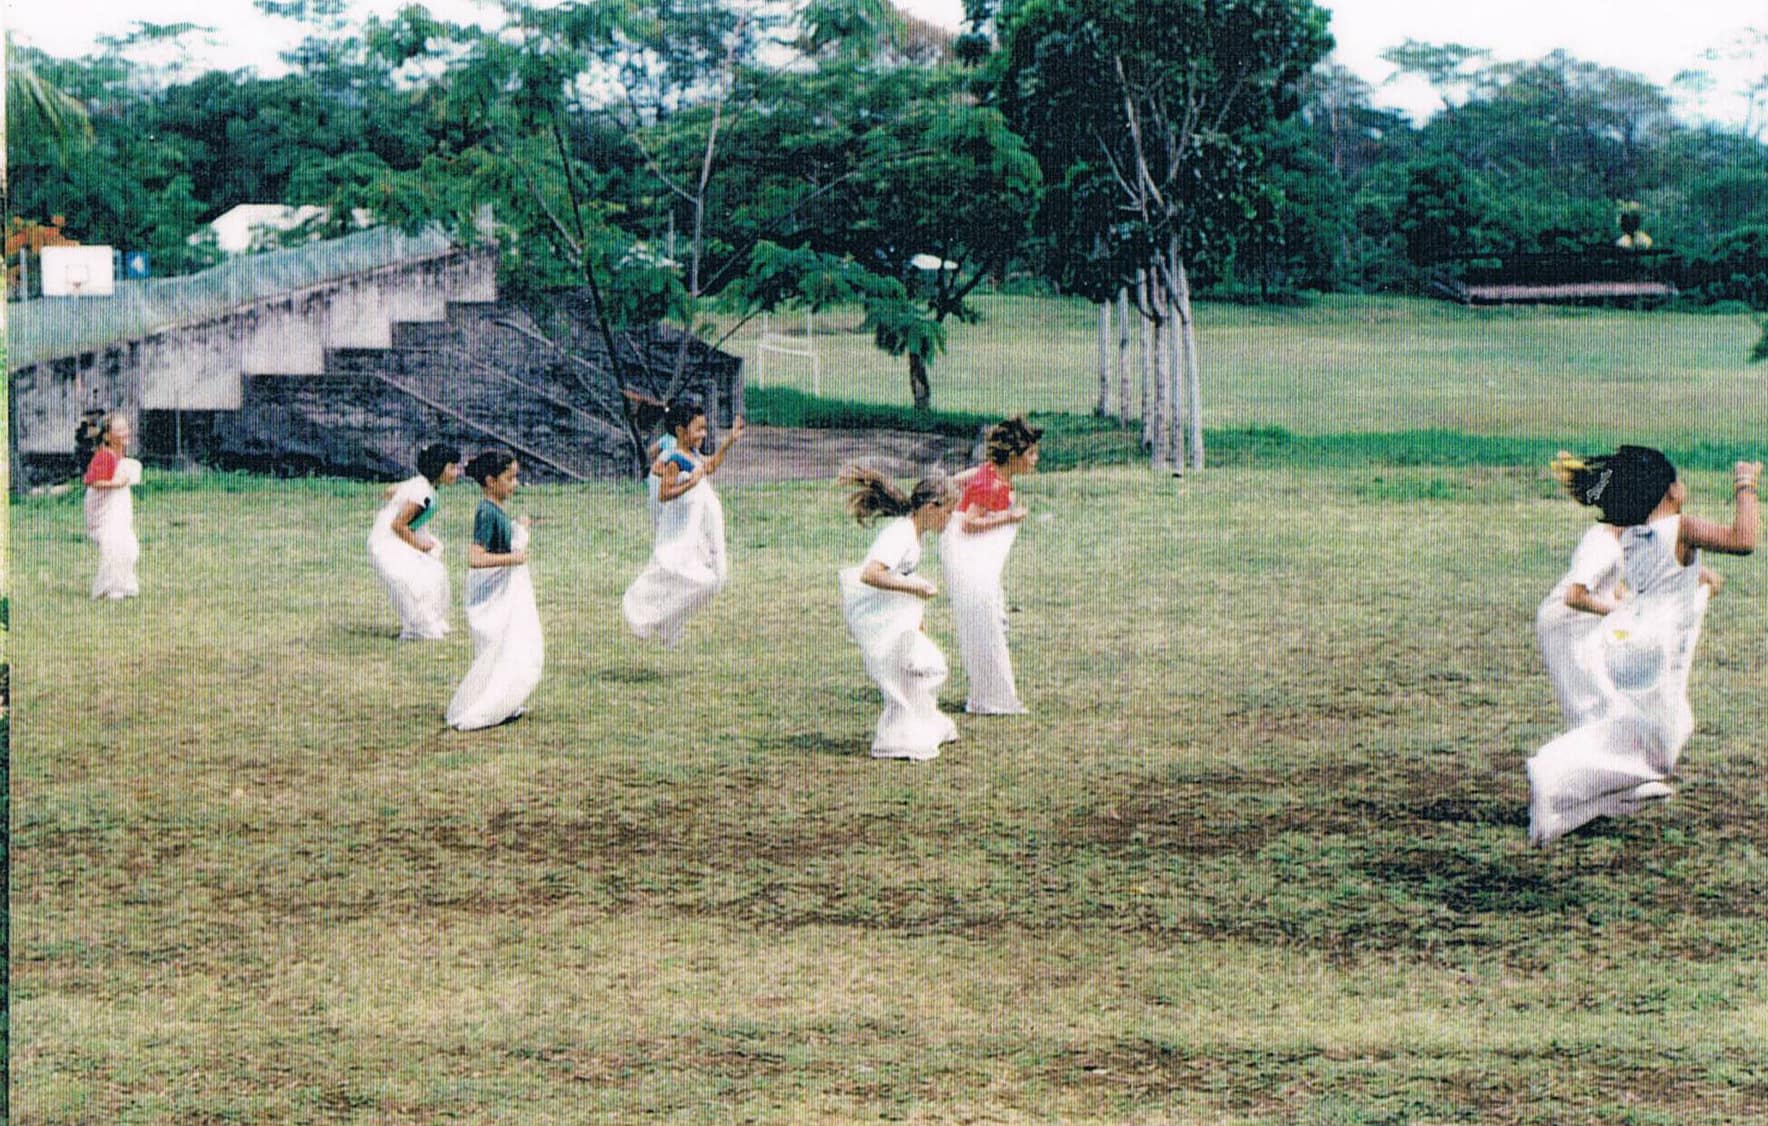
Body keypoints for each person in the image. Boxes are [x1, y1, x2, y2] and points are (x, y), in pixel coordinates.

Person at [1527, 447, 1758, 845]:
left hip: (1629, 643)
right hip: (1651, 647)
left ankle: (1580, 803)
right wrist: (1745, 486)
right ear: (1672, 491)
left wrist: (1699, 577)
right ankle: (1555, 774)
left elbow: (1666, 574)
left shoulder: (1633, 535)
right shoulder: (1682, 528)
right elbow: (1743, 541)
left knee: (1647, 729)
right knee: (1660, 744)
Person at [838, 467, 962, 761]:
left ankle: (920, 724)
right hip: (876, 619)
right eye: (948, 512)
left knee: (919, 668)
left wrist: (916, 619)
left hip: (893, 619)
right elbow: (870, 574)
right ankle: (899, 736)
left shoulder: (912, 536)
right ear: (932, 507)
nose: (950, 520)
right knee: (915, 671)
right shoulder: (900, 534)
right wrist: (914, 588)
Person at [622, 398, 745, 648]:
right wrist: (691, 482)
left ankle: (670, 621)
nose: (703, 434)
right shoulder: (675, 459)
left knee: (712, 581)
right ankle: (652, 615)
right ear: (681, 430)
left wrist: (729, 442)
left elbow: (707, 466)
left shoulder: (692, 454)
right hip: (680, 536)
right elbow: (664, 493)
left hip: (695, 532)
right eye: (698, 429)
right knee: (702, 581)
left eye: (704, 428)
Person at [941, 416, 1041, 714]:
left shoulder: (988, 472)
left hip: (963, 553)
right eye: (1031, 454)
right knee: (986, 620)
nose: (1035, 460)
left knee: (992, 615)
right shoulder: (992, 484)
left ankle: (987, 688)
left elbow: (957, 481)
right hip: (966, 556)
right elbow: (971, 522)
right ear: (1014, 456)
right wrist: (1008, 517)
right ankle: (991, 696)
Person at [446, 451, 544, 731]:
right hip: (491, 595)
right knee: (496, 650)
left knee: (505, 649)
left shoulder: (496, 510)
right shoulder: (486, 512)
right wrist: (513, 558)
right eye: (510, 478)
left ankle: (503, 698)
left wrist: (519, 529)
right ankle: (488, 701)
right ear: (491, 481)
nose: (515, 484)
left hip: (500, 591)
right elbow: (476, 558)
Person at [368, 442, 462, 640]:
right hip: (388, 541)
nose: (457, 472)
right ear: (438, 468)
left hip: (402, 534)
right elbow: (398, 525)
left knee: (434, 574)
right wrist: (420, 545)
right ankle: (419, 626)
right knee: (416, 581)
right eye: (452, 467)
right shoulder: (422, 491)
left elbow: (389, 491)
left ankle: (430, 619)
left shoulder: (423, 484)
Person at [83, 411, 143, 600]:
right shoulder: (104, 456)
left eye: (126, 428)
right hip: (103, 513)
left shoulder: (122, 458)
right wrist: (115, 484)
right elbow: (92, 481)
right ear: (108, 436)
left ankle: (124, 583)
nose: (126, 433)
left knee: (129, 546)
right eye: (120, 430)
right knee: (114, 546)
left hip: (118, 513)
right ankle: (110, 586)